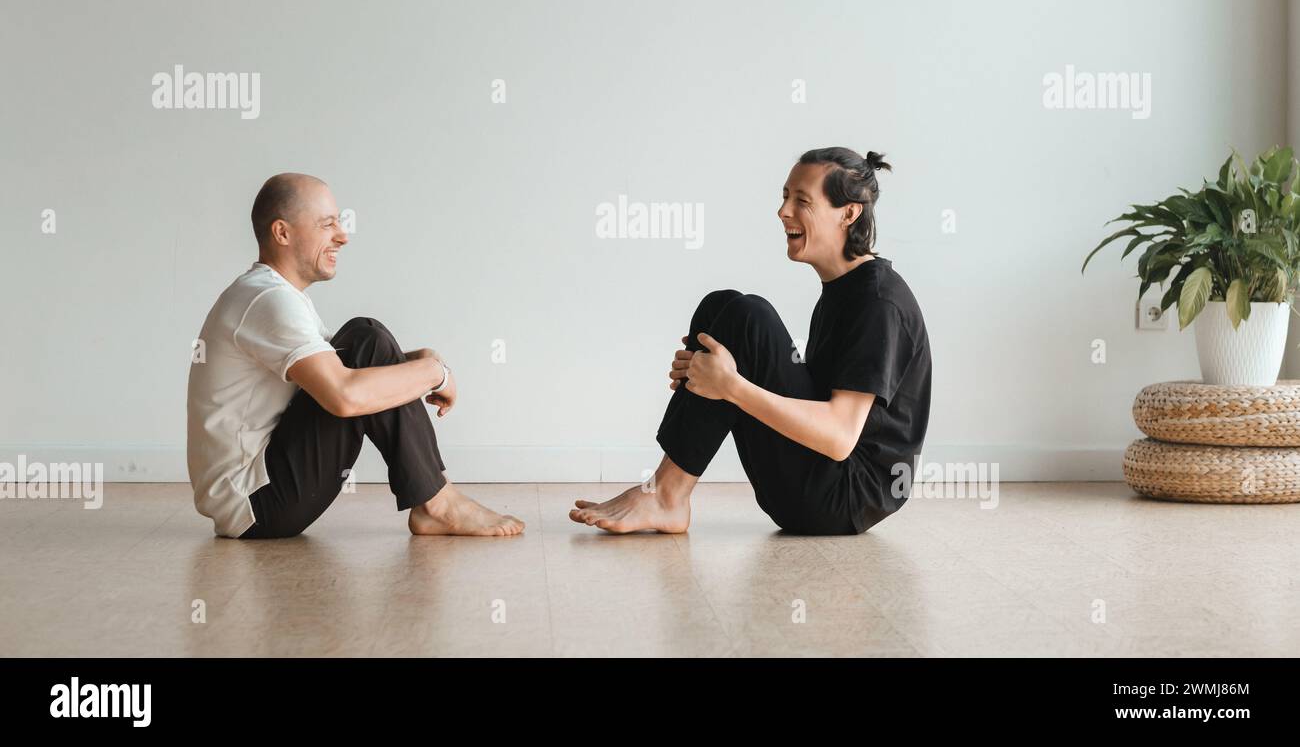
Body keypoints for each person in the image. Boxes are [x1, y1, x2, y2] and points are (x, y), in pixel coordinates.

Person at [570, 147, 932, 535]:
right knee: (722, 306)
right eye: (784, 197)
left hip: (843, 498)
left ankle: (667, 496)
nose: (783, 212)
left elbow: (840, 437)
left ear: (849, 213)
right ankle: (664, 492)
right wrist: (705, 375)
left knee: (749, 317)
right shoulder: (843, 290)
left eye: (802, 201)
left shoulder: (878, 302)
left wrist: (730, 385)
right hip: (815, 485)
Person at [186, 173, 525, 539]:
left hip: (262, 492)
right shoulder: (268, 300)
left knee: (369, 337)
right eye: (327, 224)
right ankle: (437, 503)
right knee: (366, 338)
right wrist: (432, 372)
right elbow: (344, 395)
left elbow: (342, 366)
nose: (343, 236)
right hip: (255, 502)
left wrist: (414, 361)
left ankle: (434, 502)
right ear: (282, 233)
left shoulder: (272, 295)